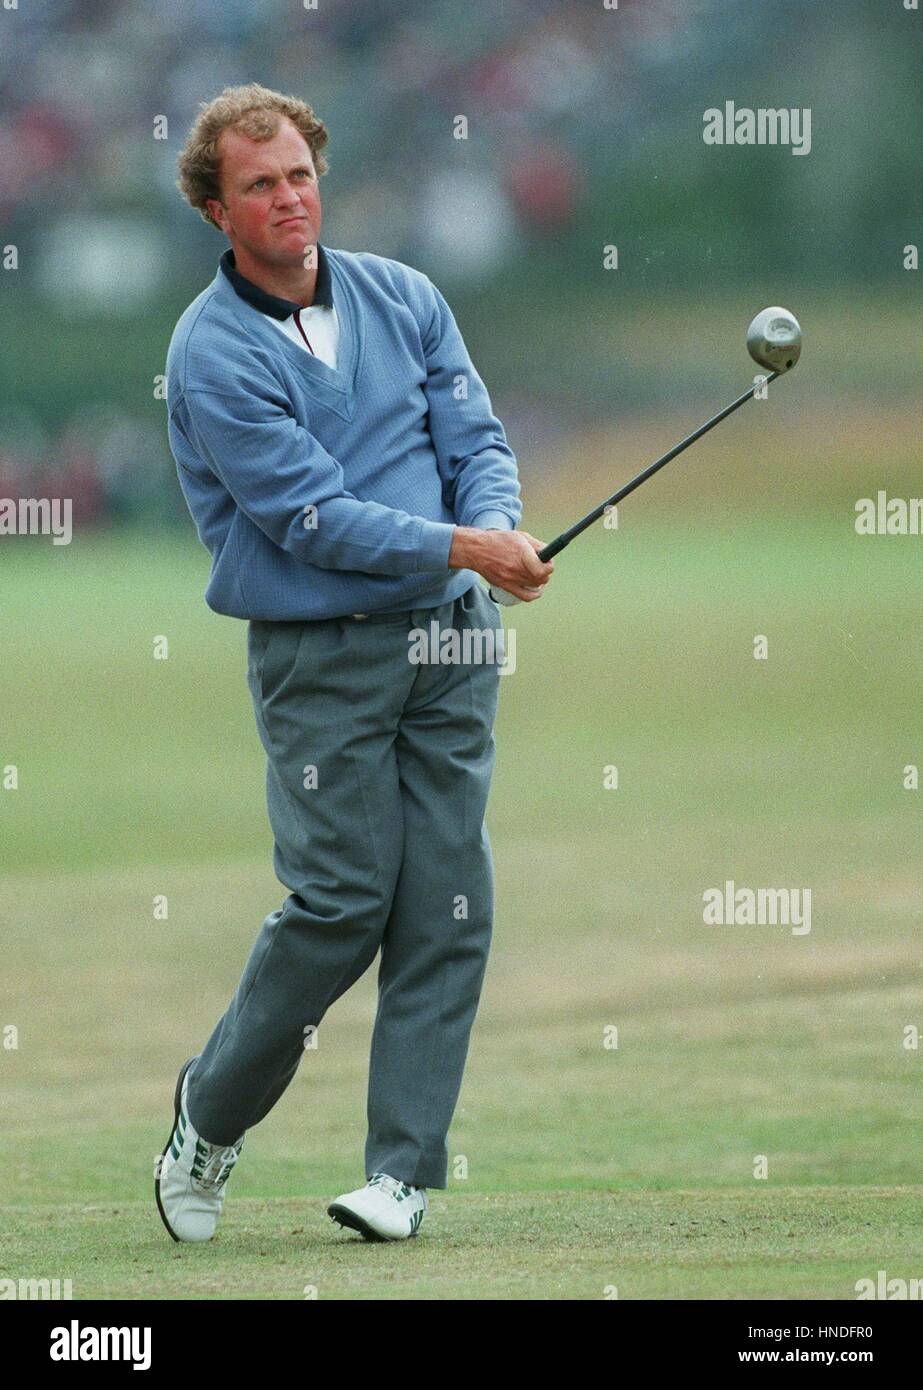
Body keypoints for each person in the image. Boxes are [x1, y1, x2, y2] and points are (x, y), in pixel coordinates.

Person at [157, 83, 554, 1244]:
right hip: (319, 657)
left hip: (451, 637)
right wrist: (463, 543)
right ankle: (208, 1116)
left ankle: (399, 1173)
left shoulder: (406, 295)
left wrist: (495, 541)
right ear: (217, 210)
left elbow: (473, 439)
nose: (288, 199)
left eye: (298, 174)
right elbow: (310, 520)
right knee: (339, 905)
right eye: (258, 185)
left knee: (447, 899)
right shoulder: (210, 353)